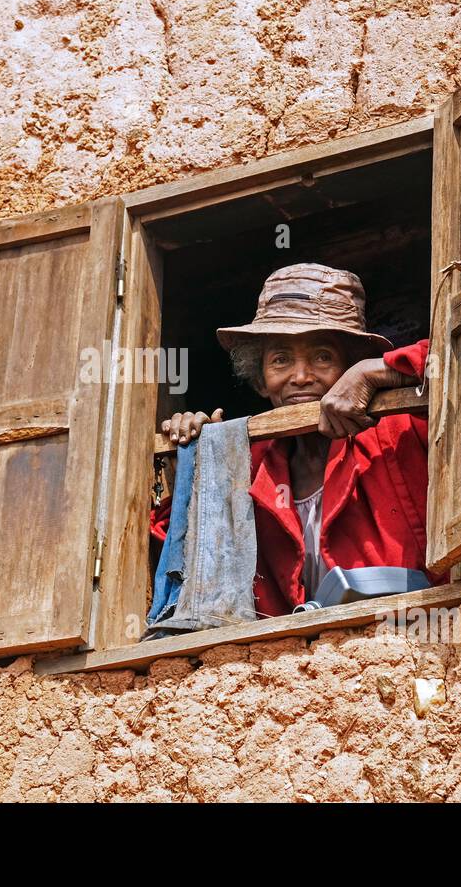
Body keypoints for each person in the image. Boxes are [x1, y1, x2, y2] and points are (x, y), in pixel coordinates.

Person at [151, 262, 445, 619]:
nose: (301, 376)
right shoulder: (248, 463)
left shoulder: (397, 433)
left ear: (349, 365)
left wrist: (376, 371)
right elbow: (177, 552)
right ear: (260, 380)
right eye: (280, 360)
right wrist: (194, 466)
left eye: (323, 357)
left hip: (407, 636)